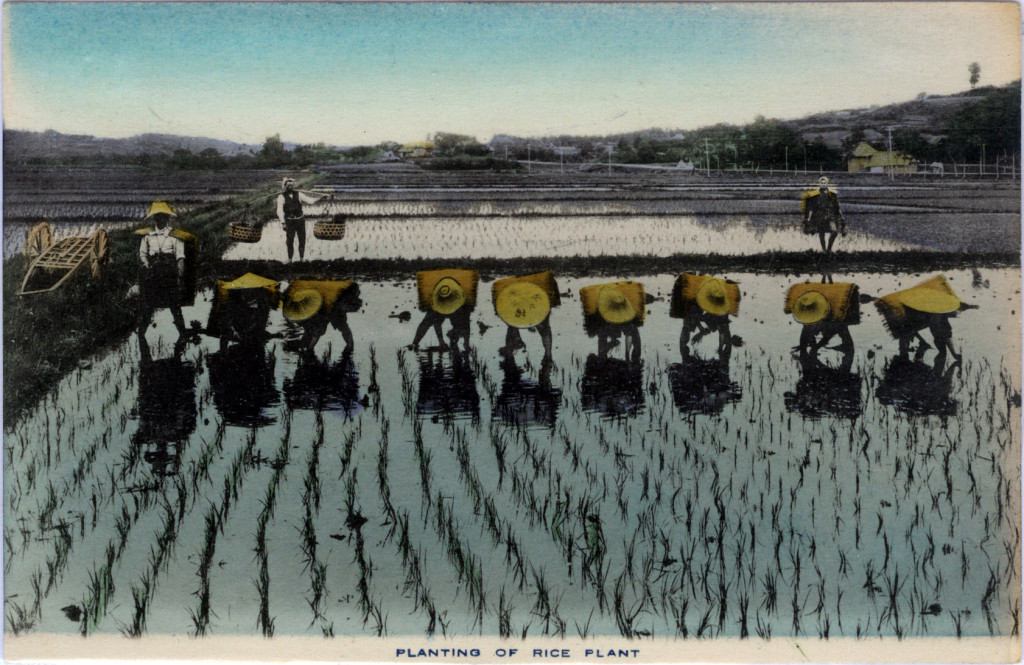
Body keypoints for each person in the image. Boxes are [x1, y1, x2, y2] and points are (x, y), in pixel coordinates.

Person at [138, 200, 186, 338]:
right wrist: (147, 265)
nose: (160, 219)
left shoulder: (175, 235)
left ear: (167, 218)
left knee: (175, 306)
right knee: (148, 305)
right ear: (154, 218)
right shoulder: (147, 236)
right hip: (153, 272)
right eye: (157, 216)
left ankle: (182, 335)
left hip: (169, 272)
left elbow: (180, 257)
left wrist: (179, 275)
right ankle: (141, 335)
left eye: (163, 216)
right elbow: (143, 254)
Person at [493, 271, 559, 361]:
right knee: (544, 327)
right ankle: (548, 356)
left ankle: (511, 354)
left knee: (513, 321)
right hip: (538, 287)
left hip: (531, 288)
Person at [276, 177, 331, 261]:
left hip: (300, 221)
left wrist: (321, 198)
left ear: (293, 186)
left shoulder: (299, 194)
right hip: (289, 222)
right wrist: (283, 223)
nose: (290, 187)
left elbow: (310, 201)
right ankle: (290, 260)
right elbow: (279, 211)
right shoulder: (281, 197)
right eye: (288, 185)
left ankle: (301, 259)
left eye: (291, 185)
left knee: (302, 240)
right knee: (289, 241)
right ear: (285, 186)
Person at [801, 176, 846, 253]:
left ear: (827, 184)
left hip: (830, 216)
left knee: (834, 231)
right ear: (819, 184)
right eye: (821, 183)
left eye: (824, 183)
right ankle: (824, 250)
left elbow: (837, 207)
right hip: (819, 216)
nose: (823, 184)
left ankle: (829, 248)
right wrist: (808, 219)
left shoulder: (832, 195)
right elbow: (811, 208)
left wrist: (842, 217)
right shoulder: (815, 196)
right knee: (821, 234)